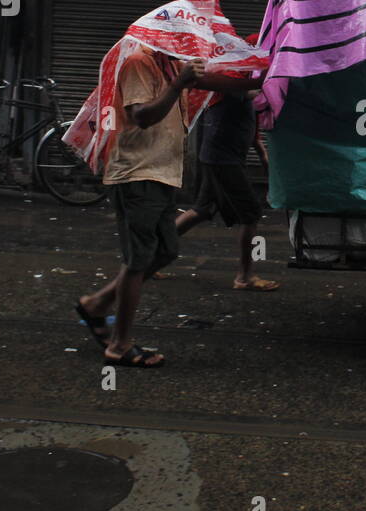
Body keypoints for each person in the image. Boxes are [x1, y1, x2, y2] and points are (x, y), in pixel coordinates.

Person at [74, 48, 206, 367]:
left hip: (162, 173)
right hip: (137, 173)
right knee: (138, 259)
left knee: (166, 251)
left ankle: (98, 302)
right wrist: (178, 85)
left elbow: (218, 83)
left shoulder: (172, 64)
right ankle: (119, 345)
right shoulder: (138, 62)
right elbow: (142, 116)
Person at [175, 40, 277, 291]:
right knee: (251, 213)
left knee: (202, 209)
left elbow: (250, 125)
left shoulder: (244, 83)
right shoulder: (230, 81)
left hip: (221, 157)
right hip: (222, 159)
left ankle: (148, 255)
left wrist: (262, 154)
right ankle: (244, 277)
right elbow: (248, 91)